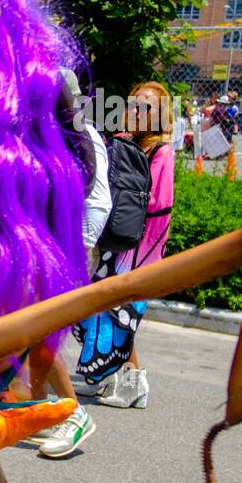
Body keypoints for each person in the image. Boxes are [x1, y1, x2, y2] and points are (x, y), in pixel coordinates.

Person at [74, 81, 175, 409]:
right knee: (97, 311)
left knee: (122, 317)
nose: (134, 110)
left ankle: (136, 382)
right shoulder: (121, 143)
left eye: (145, 107)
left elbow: (160, 205)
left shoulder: (162, 152)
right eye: (131, 103)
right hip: (112, 243)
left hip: (137, 252)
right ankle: (109, 377)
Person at [26, 68, 111, 457]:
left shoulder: (73, 138)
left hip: (61, 248)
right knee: (28, 331)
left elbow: (85, 197)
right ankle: (38, 407)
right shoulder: (58, 134)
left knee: (38, 329)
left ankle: (74, 413)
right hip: (51, 246)